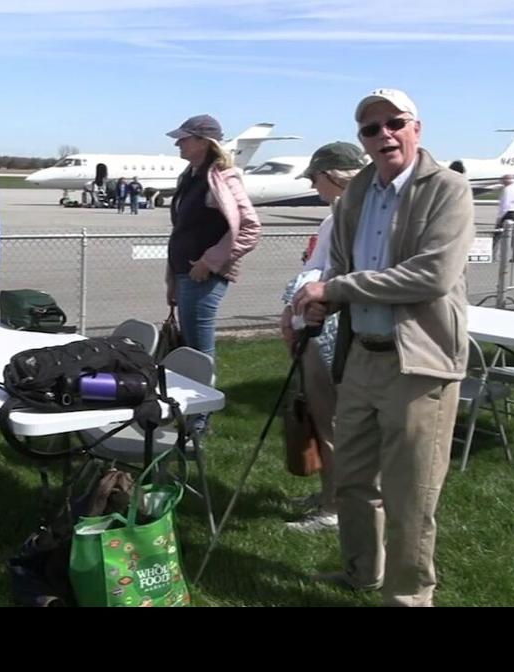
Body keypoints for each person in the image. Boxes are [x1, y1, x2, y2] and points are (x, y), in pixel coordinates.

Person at [292, 89, 473, 606]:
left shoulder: (448, 189)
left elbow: (432, 275)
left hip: (419, 363)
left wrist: (338, 290)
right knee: (351, 482)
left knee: (410, 496)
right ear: (362, 141)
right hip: (361, 356)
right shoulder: (355, 194)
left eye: (394, 123)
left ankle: (409, 597)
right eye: (370, 129)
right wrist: (325, 297)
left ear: (416, 127)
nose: (383, 135)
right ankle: (360, 573)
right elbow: (342, 268)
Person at [277, 142, 366, 534]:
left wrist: (294, 305)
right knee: (320, 415)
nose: (314, 186)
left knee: (331, 421)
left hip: (331, 329)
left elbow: (327, 274)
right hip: (315, 325)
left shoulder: (350, 215)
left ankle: (335, 506)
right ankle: (329, 492)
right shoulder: (338, 215)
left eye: (315, 178)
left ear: (332, 176)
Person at [164, 114, 261, 435]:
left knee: (199, 352)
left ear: (205, 142)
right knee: (190, 349)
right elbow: (181, 231)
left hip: (203, 278)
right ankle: (192, 413)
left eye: (184, 138)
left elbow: (249, 228)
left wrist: (210, 262)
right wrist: (172, 278)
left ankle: (200, 420)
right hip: (185, 274)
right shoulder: (191, 176)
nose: (178, 142)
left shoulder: (221, 177)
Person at [495, 174, 514, 262]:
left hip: (508, 213)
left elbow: (505, 205)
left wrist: (499, 217)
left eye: (503, 179)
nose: (502, 181)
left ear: (507, 180)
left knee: (497, 234)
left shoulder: (507, 190)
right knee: (513, 236)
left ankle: (491, 254)